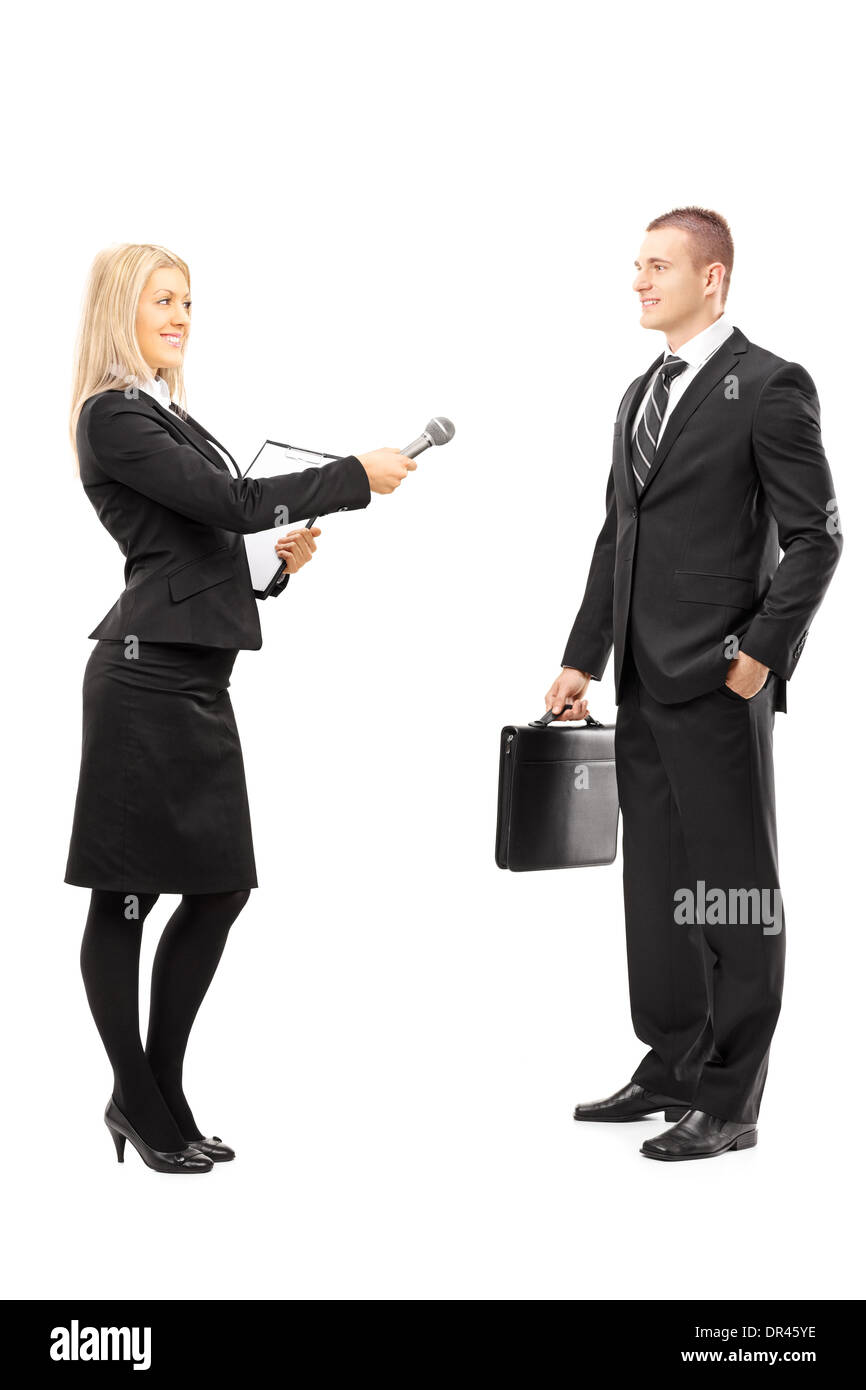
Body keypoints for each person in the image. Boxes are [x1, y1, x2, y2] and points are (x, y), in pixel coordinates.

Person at [65, 242, 415, 1174]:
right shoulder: (112, 418)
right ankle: (140, 1099)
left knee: (220, 888)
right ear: (120, 314)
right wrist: (350, 476)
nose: (181, 316)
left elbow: (206, 539)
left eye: (188, 301)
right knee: (127, 895)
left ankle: (160, 1092)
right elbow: (230, 499)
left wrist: (269, 567)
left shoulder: (170, 417)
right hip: (143, 682)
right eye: (162, 301)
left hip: (194, 680)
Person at [545, 207, 842, 1161]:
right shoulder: (638, 394)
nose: (638, 281)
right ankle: (673, 1060)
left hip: (718, 683)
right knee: (660, 888)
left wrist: (759, 652)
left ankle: (732, 1096)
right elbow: (615, 542)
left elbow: (818, 537)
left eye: (658, 266)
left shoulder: (769, 386)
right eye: (635, 265)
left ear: (711, 278)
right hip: (639, 683)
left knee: (733, 893)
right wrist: (581, 657)